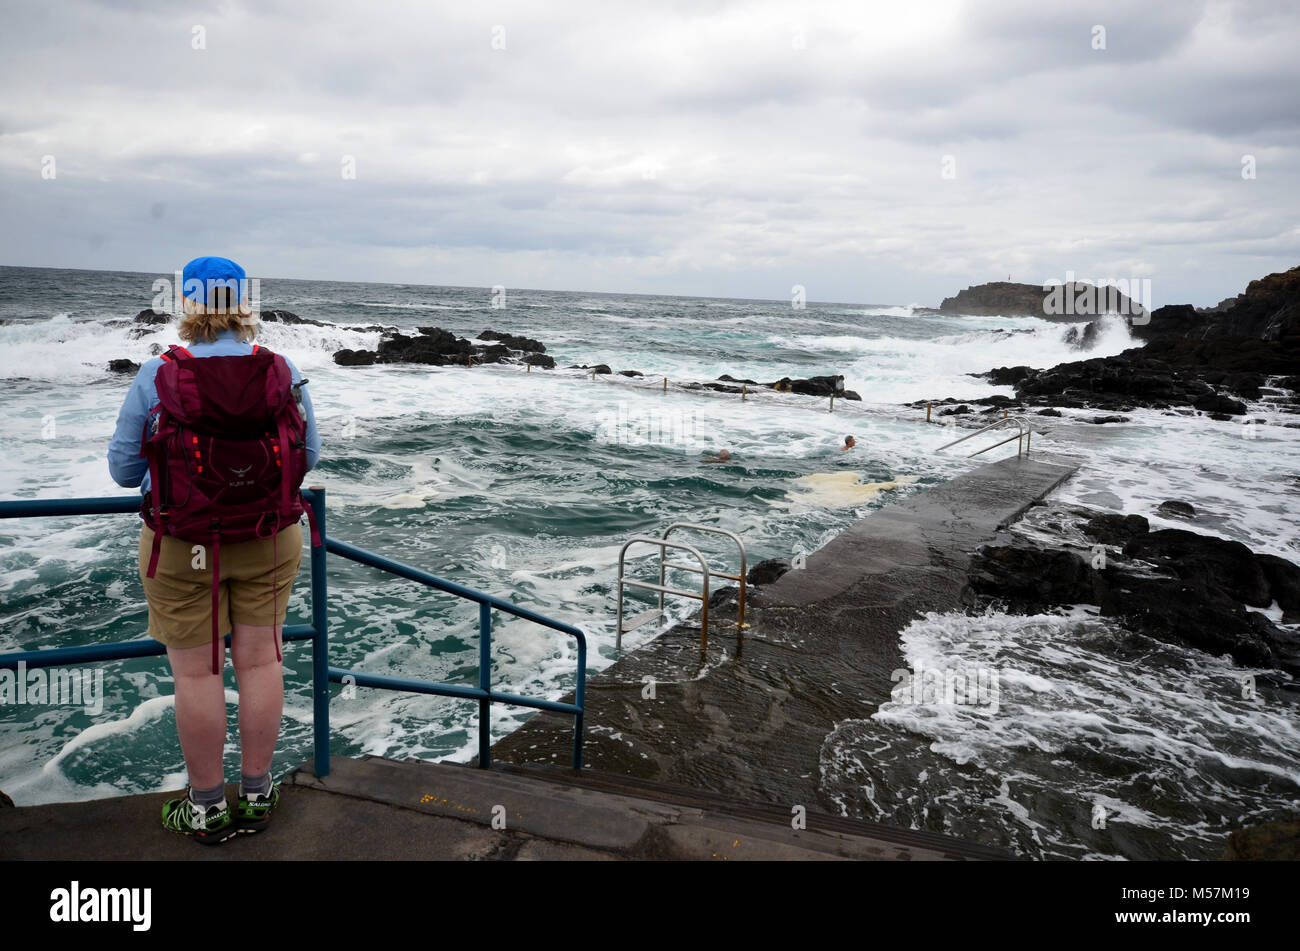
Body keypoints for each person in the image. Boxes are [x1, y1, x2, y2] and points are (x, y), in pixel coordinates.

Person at [107, 256, 321, 844]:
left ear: (189, 304)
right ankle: (256, 795)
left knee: (199, 674)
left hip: (185, 544)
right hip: (268, 537)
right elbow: (311, 457)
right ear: (242, 302)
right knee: (261, 661)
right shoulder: (283, 368)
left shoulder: (157, 373)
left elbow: (125, 471)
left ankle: (205, 809)